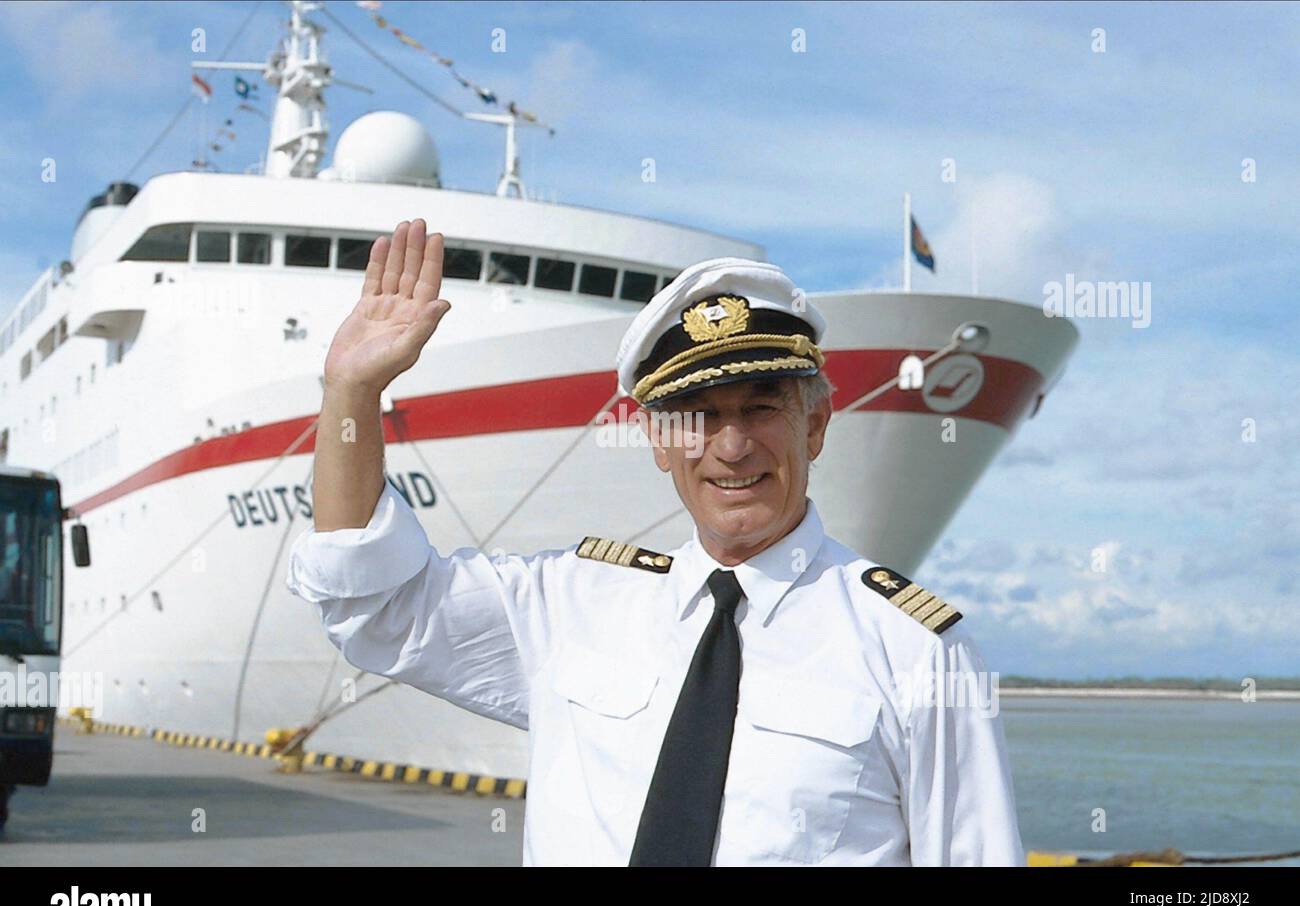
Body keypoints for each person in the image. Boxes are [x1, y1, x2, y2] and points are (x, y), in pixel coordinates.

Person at [285, 219, 1026, 866]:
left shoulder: (916, 651)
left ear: (817, 426)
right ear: (658, 440)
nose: (730, 447)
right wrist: (350, 393)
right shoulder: (570, 605)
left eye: (761, 407)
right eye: (695, 416)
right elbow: (375, 601)